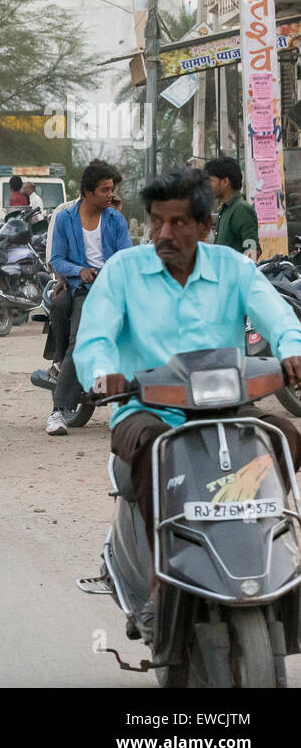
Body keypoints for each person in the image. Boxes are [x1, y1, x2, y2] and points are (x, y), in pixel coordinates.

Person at [75, 168, 301, 632]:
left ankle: (275, 556)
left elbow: (278, 317)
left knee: (282, 438)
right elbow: (94, 337)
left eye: (179, 223)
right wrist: (103, 375)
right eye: (157, 221)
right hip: (148, 410)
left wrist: (292, 351)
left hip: (227, 410)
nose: (165, 233)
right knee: (157, 452)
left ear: (204, 225)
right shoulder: (124, 271)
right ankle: (162, 581)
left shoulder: (234, 269)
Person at [45, 160, 130, 435]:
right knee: (79, 340)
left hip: (110, 290)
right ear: (88, 192)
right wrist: (79, 271)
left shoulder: (115, 220)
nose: (110, 195)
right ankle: (57, 412)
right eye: (105, 190)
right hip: (81, 290)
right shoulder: (65, 219)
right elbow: (57, 258)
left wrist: (108, 273)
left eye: (112, 189)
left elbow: (124, 257)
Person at [205, 156, 259, 255]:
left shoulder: (241, 209)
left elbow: (253, 250)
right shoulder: (225, 209)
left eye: (211, 181)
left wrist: (243, 270)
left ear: (225, 182)